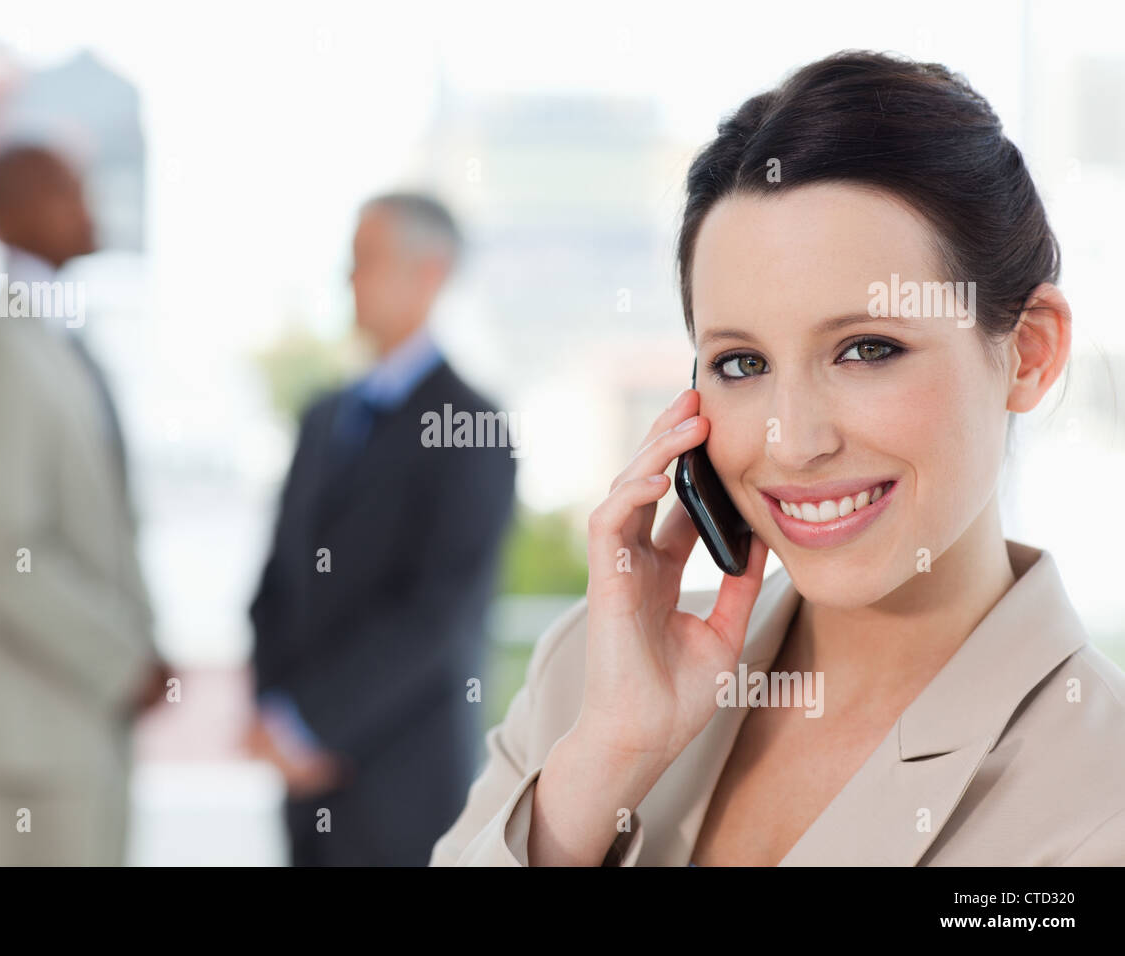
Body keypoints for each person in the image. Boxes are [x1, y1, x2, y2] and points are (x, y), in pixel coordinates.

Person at [431, 51, 1125, 866]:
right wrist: (609, 760)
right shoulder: (593, 672)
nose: (792, 442)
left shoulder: (1096, 798)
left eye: (867, 349)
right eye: (742, 364)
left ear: (1030, 352)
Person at [247, 193, 517, 866]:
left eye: (365, 261)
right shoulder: (322, 416)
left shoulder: (473, 426)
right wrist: (274, 713)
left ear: (429, 275)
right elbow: (276, 579)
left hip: (404, 786)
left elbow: (436, 614)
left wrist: (314, 727)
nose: (349, 281)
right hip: (304, 795)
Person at [0, 143, 168, 866]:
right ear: (12, 211)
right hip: (30, 737)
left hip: (76, 726)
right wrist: (125, 662)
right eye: (69, 193)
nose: (88, 210)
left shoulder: (55, 339)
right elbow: (8, 555)